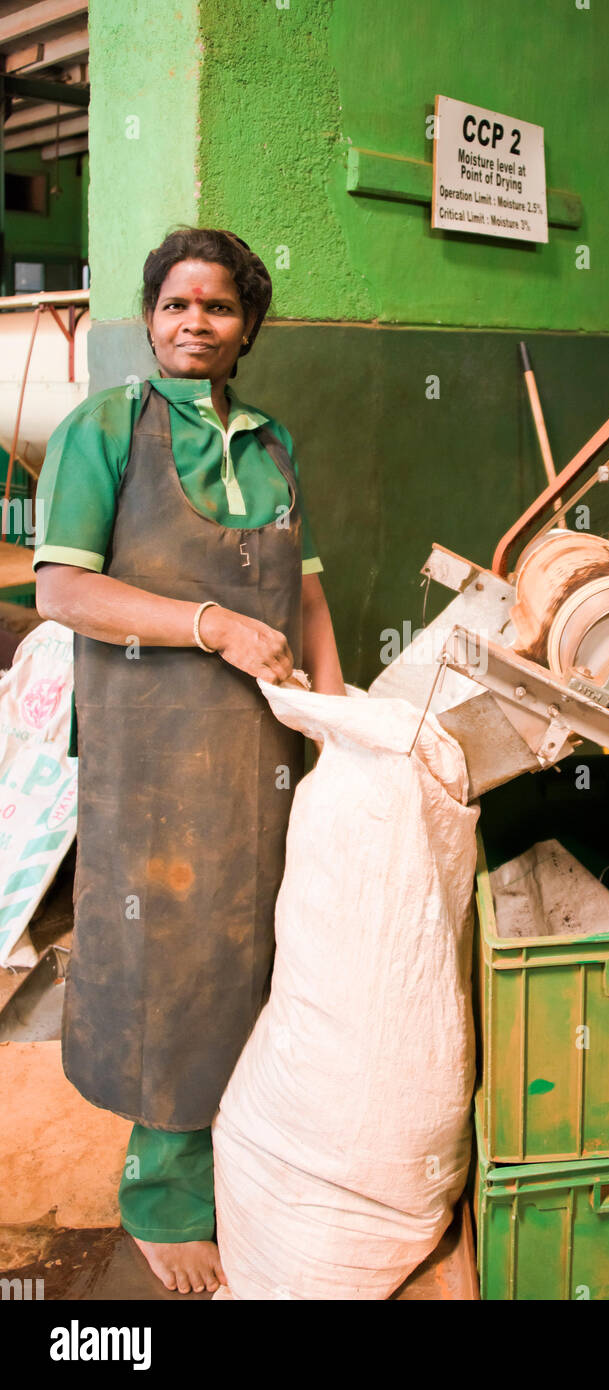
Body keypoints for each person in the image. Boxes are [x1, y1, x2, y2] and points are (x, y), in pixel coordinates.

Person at [34, 227, 345, 1295]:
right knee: (164, 961)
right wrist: (209, 623)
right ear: (151, 315)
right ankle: (162, 1200)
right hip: (150, 748)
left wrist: (335, 712)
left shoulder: (271, 441)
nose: (194, 322)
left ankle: (236, 1157)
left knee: (250, 952)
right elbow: (63, 592)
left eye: (217, 306)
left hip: (255, 749)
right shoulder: (104, 429)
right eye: (175, 304)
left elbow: (303, 591)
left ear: (245, 325)